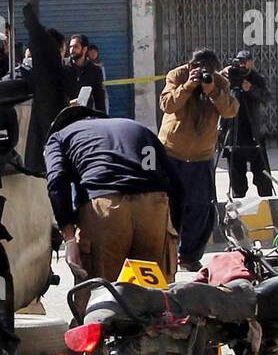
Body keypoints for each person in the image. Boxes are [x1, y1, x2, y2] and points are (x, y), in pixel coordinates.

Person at [45, 103, 183, 283]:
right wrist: (172, 234)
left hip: (105, 209)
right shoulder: (137, 127)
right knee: (154, 297)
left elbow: (56, 182)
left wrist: (70, 239)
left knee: (101, 295)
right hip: (153, 206)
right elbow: (177, 186)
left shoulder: (59, 137)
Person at [158, 48, 239, 271]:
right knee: (167, 206)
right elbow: (167, 104)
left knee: (201, 208)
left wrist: (213, 90)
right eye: (198, 70)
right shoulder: (177, 76)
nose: (202, 73)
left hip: (201, 158)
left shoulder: (219, 82)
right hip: (171, 153)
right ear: (191, 66)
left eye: (208, 71)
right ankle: (165, 252)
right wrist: (188, 86)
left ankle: (189, 256)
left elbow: (231, 110)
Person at [220, 49, 274, 198]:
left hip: (254, 131)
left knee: (262, 174)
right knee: (237, 176)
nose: (242, 65)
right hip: (233, 131)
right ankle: (238, 201)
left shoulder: (257, 78)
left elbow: (266, 98)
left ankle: (267, 201)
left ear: (251, 62)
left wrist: (251, 89)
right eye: (239, 62)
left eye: (245, 61)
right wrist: (222, 74)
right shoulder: (228, 76)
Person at [64, 33, 107, 115]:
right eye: (70, 47)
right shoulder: (63, 68)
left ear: (84, 49)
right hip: (65, 116)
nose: (72, 50)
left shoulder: (95, 70)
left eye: (76, 47)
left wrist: (102, 118)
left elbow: (99, 99)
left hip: (85, 116)